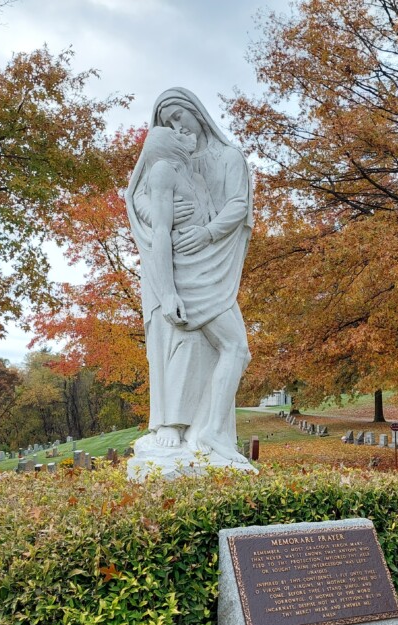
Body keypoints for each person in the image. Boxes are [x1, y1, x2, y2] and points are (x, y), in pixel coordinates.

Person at [125, 88, 253, 465]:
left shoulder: (224, 157)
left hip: (209, 265)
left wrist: (207, 232)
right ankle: (188, 429)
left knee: (227, 348)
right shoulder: (169, 166)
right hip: (182, 272)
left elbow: (238, 204)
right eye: (167, 123)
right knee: (194, 343)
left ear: (197, 112)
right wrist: (155, 214)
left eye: (179, 116)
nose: (176, 126)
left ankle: (207, 431)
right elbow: (139, 195)